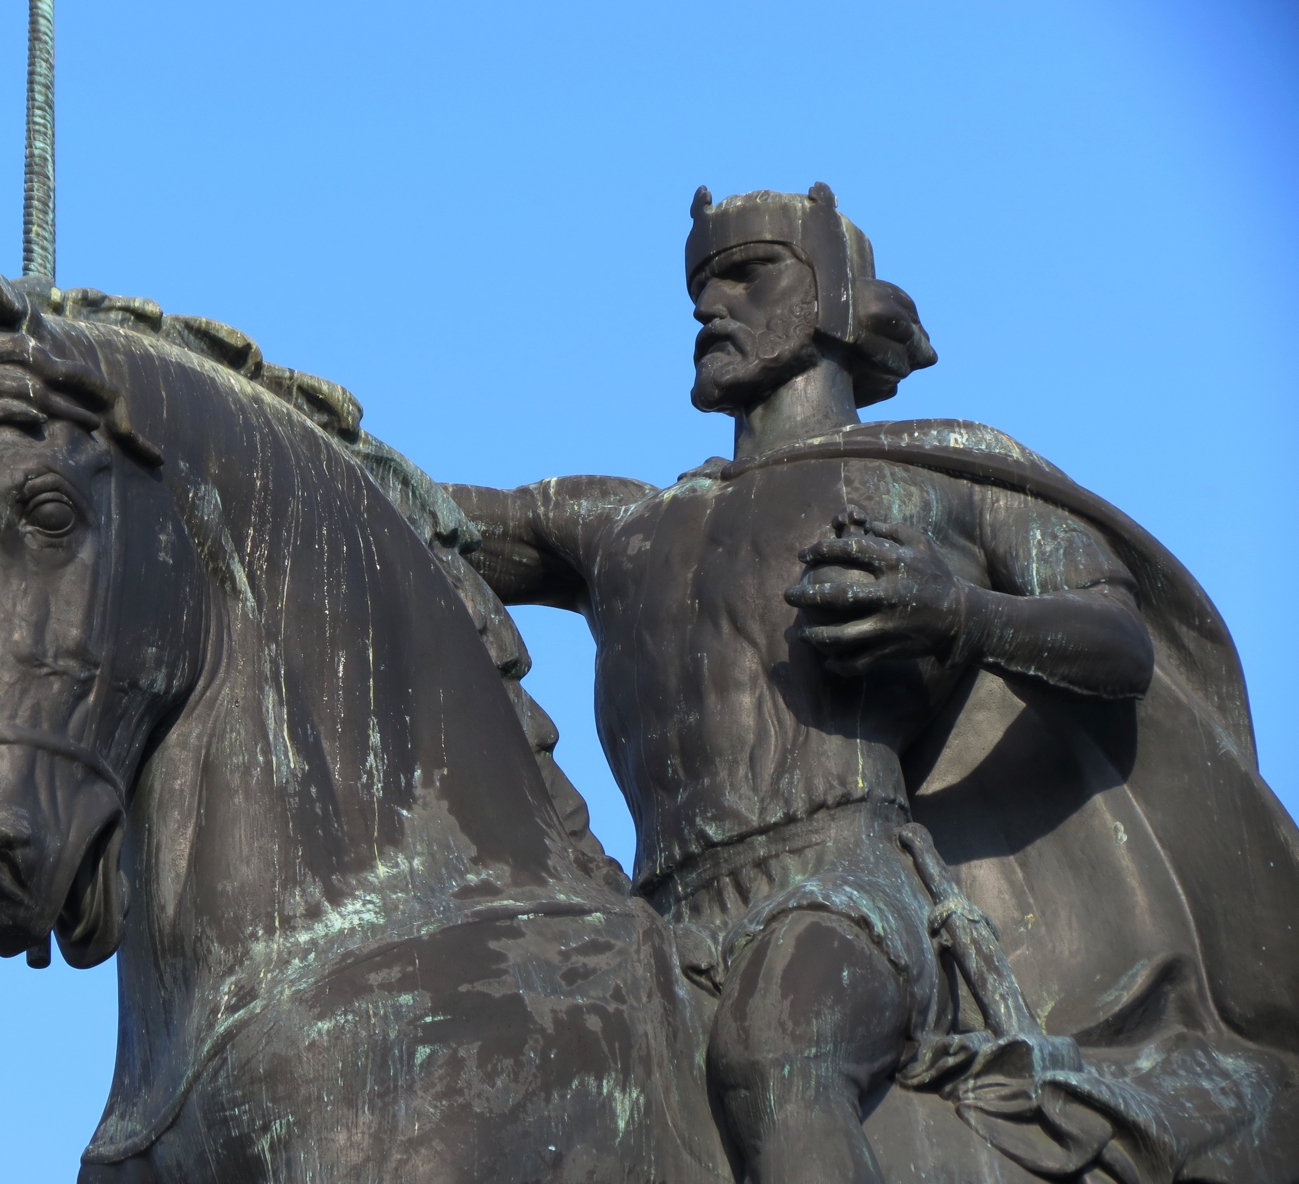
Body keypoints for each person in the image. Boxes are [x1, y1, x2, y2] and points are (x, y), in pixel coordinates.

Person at [443, 183, 1158, 1183]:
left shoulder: (939, 477)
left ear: (834, 299)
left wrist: (963, 615)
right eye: (699, 283)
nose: (707, 306)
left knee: (775, 1054)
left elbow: (1120, 641)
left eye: (745, 274)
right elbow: (419, 512)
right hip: (649, 915)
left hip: (844, 885)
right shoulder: (622, 525)